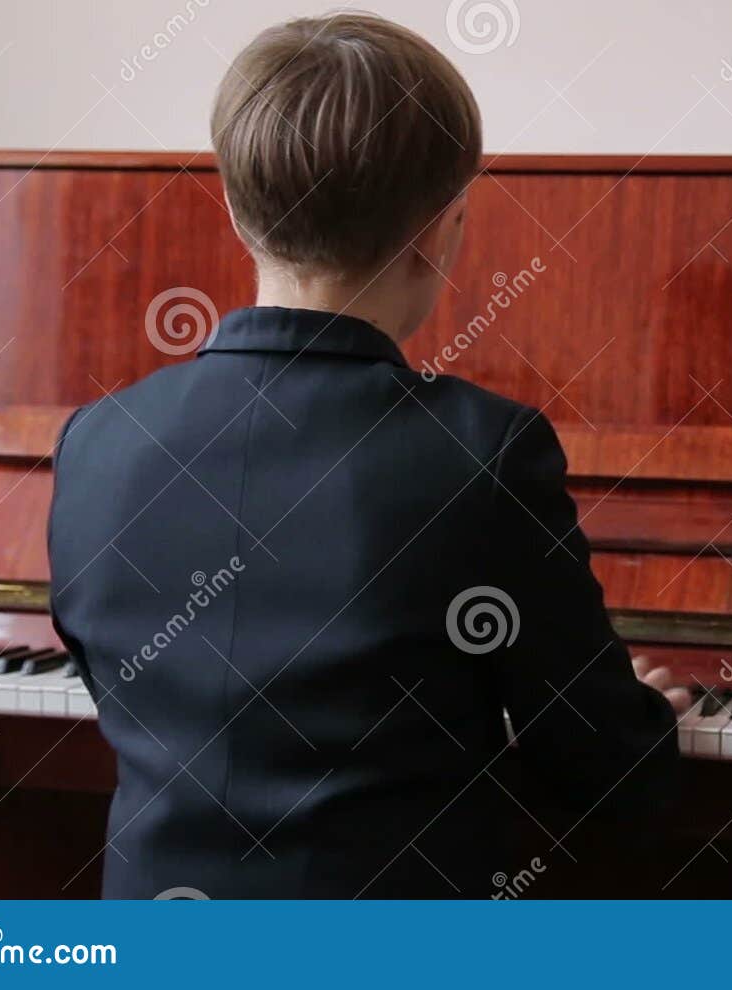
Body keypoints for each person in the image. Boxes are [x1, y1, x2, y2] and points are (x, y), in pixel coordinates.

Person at [47, 12, 686, 899]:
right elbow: (595, 768)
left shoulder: (95, 439)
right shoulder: (483, 452)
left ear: (234, 209)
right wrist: (646, 716)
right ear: (445, 229)